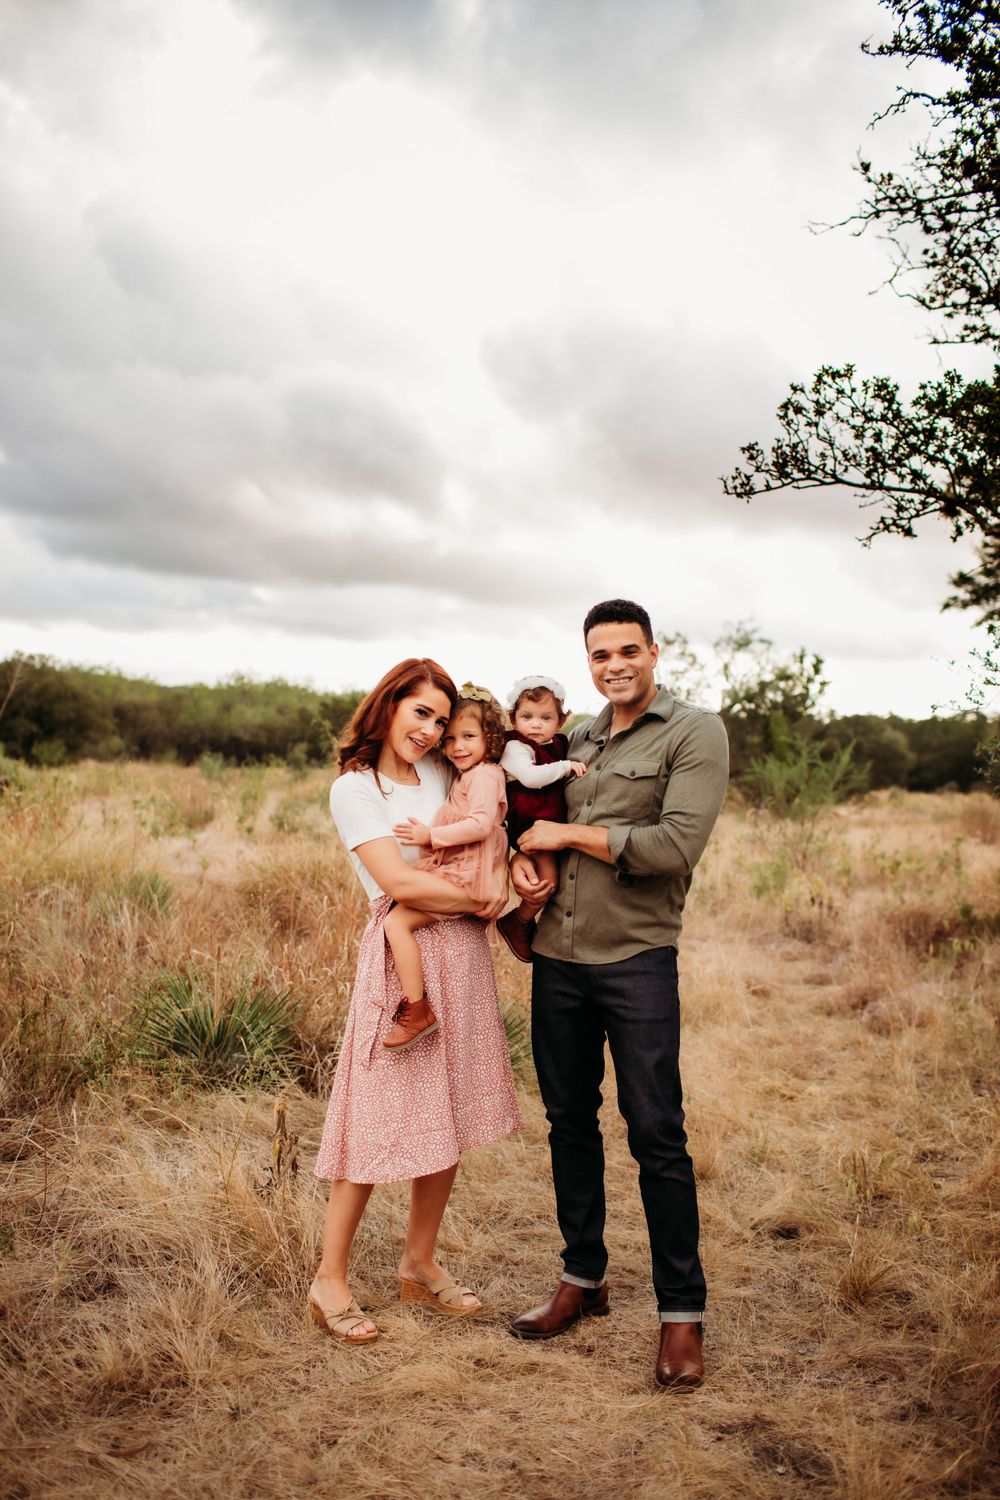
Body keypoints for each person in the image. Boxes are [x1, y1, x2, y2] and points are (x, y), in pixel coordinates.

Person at [507, 600, 729, 1391]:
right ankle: (582, 1276)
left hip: (636, 959)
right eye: (600, 656)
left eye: (627, 651)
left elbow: (673, 846)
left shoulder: (694, 732)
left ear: (654, 652)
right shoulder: (575, 740)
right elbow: (523, 815)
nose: (614, 666)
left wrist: (566, 838)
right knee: (569, 1122)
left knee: (656, 1133)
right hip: (557, 959)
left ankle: (681, 1315)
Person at [310, 659, 522, 1344]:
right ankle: (329, 1280)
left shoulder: (446, 773)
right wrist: (485, 899)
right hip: (404, 959)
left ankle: (419, 1262)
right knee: (373, 1122)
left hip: (462, 955)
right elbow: (397, 881)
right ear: (388, 706)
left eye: (440, 718)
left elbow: (487, 830)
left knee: (449, 1114)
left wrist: (512, 877)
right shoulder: (356, 788)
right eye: (419, 713)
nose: (430, 731)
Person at [383, 684, 510, 1051]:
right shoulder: (465, 774)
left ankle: (417, 1008)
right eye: (450, 737)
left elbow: (482, 824)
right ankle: (417, 1005)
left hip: (469, 874)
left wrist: (429, 835)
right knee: (398, 920)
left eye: (469, 736)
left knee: (397, 921)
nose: (457, 747)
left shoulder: (485, 775)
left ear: (491, 737)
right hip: (463, 870)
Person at [494, 676, 587, 961]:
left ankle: (527, 918)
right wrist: (567, 767)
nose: (535, 724)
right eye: (527, 716)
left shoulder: (557, 743)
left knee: (554, 877)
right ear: (513, 718)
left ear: (560, 722)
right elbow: (533, 779)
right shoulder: (515, 747)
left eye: (546, 717)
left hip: (548, 823)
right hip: (530, 823)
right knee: (549, 882)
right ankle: (518, 920)